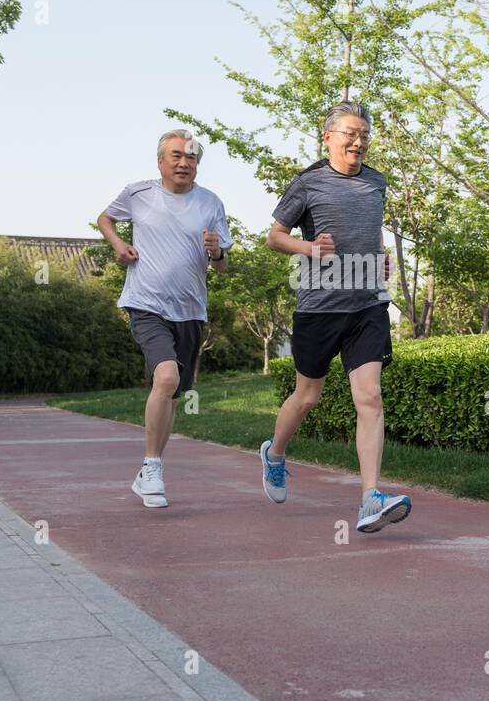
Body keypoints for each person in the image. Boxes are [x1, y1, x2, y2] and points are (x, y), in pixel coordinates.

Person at [260, 101, 410, 533]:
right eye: (350, 133)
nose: (358, 141)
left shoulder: (377, 183)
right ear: (328, 137)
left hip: (368, 305)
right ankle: (274, 454)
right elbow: (273, 236)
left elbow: (371, 230)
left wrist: (379, 259)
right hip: (320, 308)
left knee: (371, 397)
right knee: (307, 397)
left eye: (364, 134)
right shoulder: (308, 183)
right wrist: (307, 249)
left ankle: (369, 498)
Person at [96, 129, 231, 508]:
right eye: (176, 155)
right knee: (167, 376)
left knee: (172, 395)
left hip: (190, 310)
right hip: (146, 304)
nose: (183, 162)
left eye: (190, 157)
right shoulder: (139, 194)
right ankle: (152, 465)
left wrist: (217, 251)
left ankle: (148, 471)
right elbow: (105, 218)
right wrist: (119, 245)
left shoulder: (211, 203)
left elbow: (221, 267)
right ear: (160, 161)